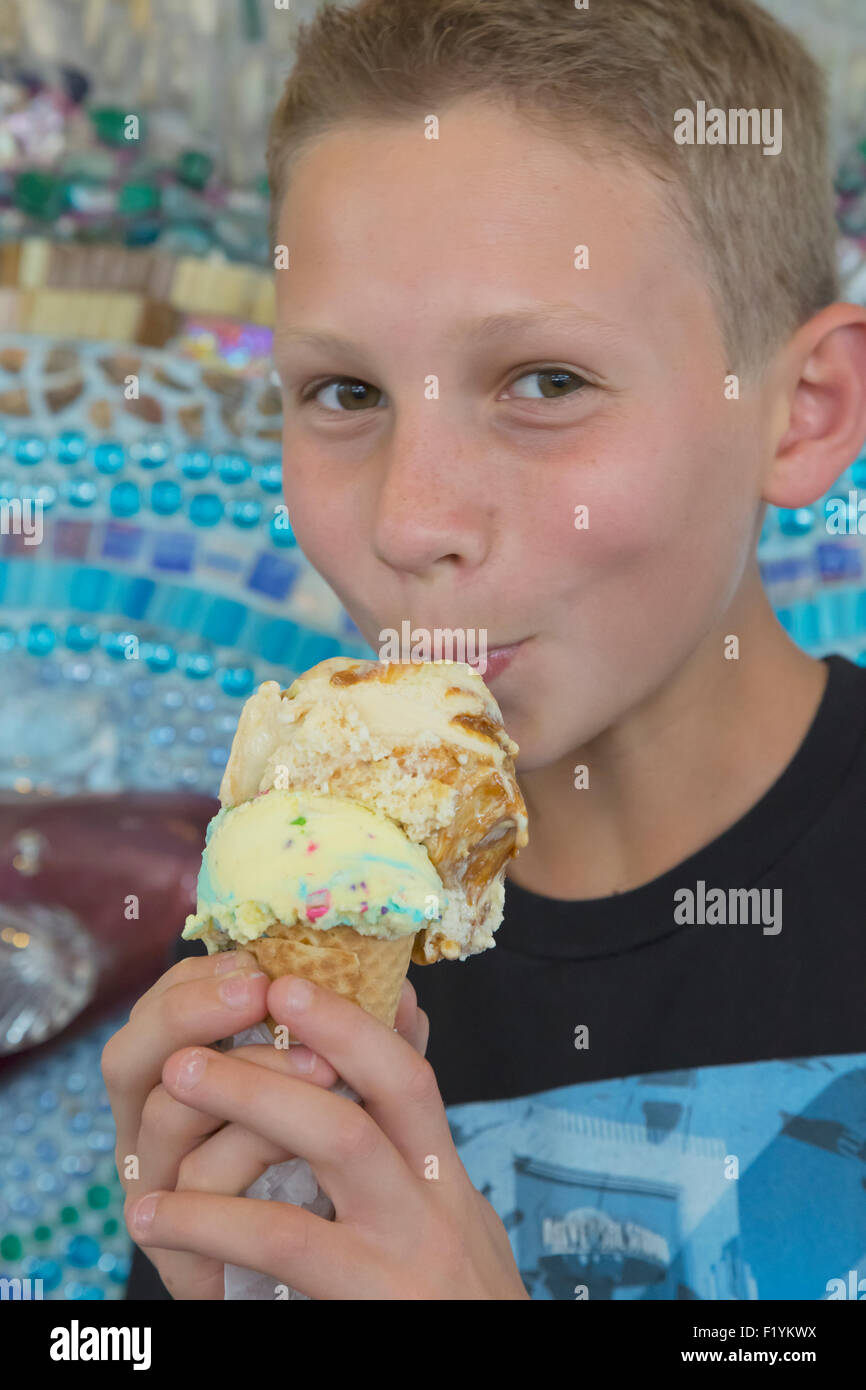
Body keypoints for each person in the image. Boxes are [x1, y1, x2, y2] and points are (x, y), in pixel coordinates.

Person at [106, 0, 866, 1300]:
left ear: (799, 414)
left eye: (543, 382)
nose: (409, 523)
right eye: (343, 395)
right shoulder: (269, 961)